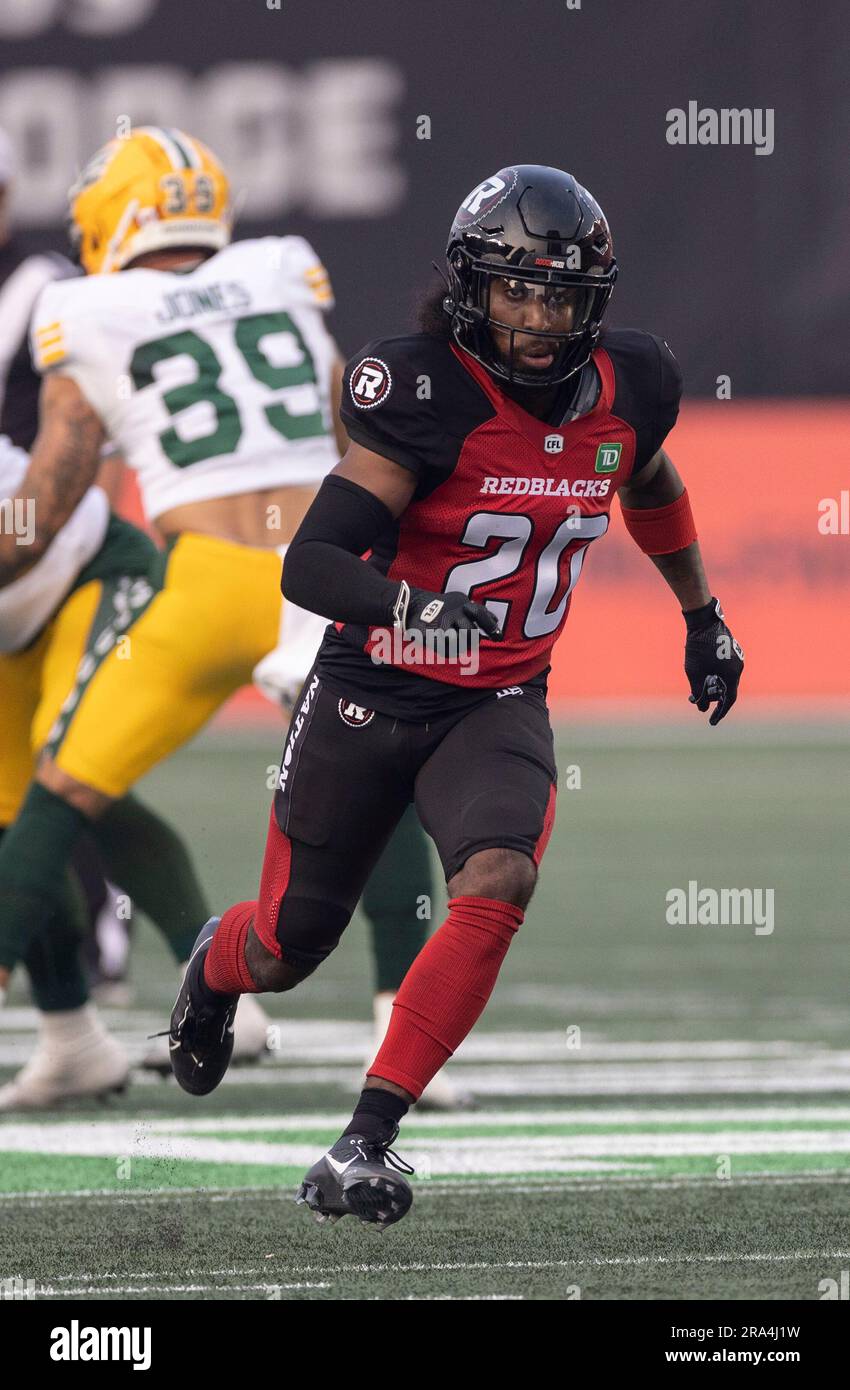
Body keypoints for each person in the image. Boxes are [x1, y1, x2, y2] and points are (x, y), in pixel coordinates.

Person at [167, 165, 744, 1229]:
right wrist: (407, 603)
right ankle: (213, 964)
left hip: (498, 698)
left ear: (592, 303)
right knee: (288, 948)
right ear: (470, 290)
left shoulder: (633, 382)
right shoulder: (420, 388)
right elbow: (313, 561)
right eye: (515, 292)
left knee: (501, 872)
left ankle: (366, 1136)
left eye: (557, 296)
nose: (534, 318)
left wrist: (700, 615)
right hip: (368, 687)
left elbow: (646, 476)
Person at [0, 126, 466, 1108]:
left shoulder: (82, 309)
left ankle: (57, 1015)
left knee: (60, 791)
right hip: (322, 566)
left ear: (112, 216)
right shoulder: (282, 271)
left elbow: (49, 495)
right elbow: (358, 432)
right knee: (376, 776)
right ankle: (401, 1035)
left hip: (204, 580)